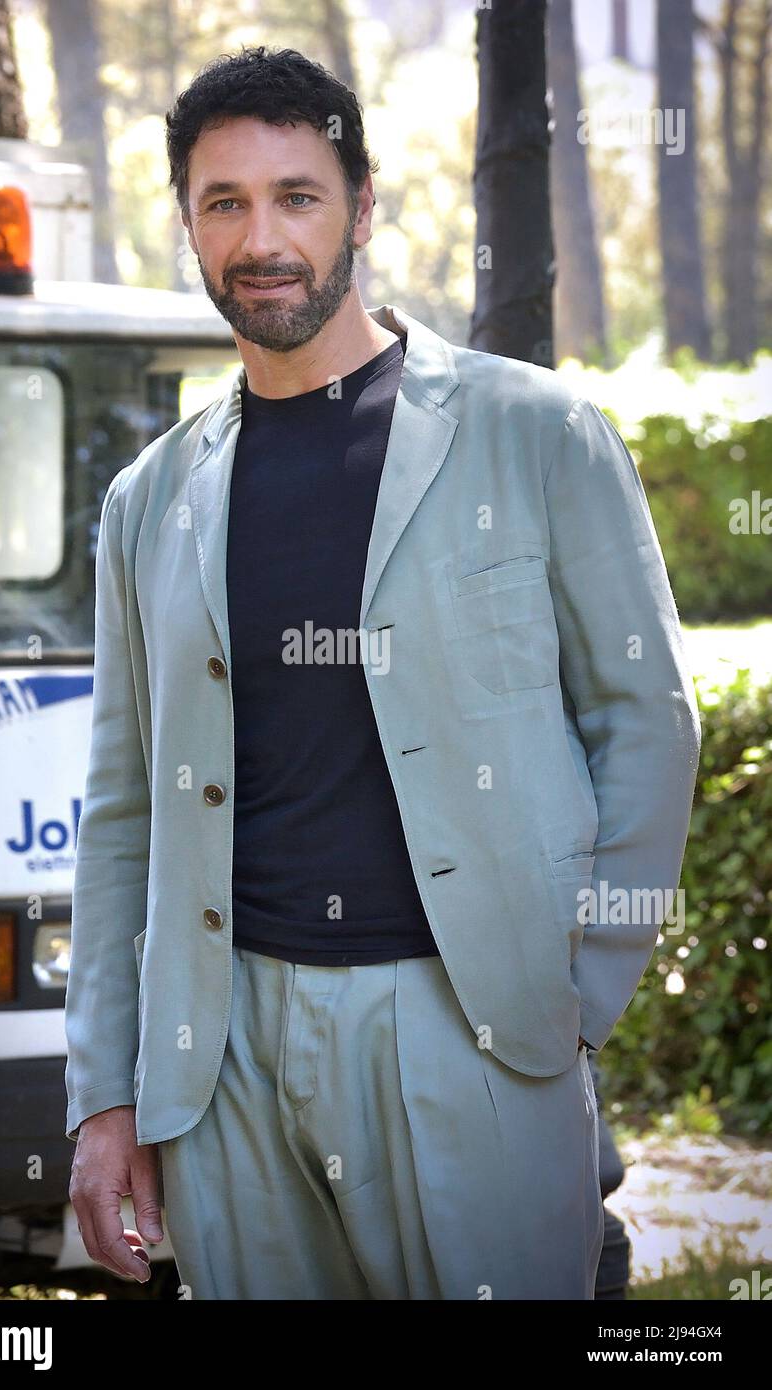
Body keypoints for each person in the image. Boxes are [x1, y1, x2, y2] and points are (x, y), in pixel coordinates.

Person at [65, 45, 701, 1300]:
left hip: (471, 1029)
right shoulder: (149, 502)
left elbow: (648, 721)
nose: (261, 237)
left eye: (297, 195)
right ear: (188, 224)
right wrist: (105, 1094)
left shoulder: (537, 435)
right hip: (226, 1054)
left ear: (362, 208)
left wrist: (571, 999)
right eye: (223, 201)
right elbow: (123, 813)